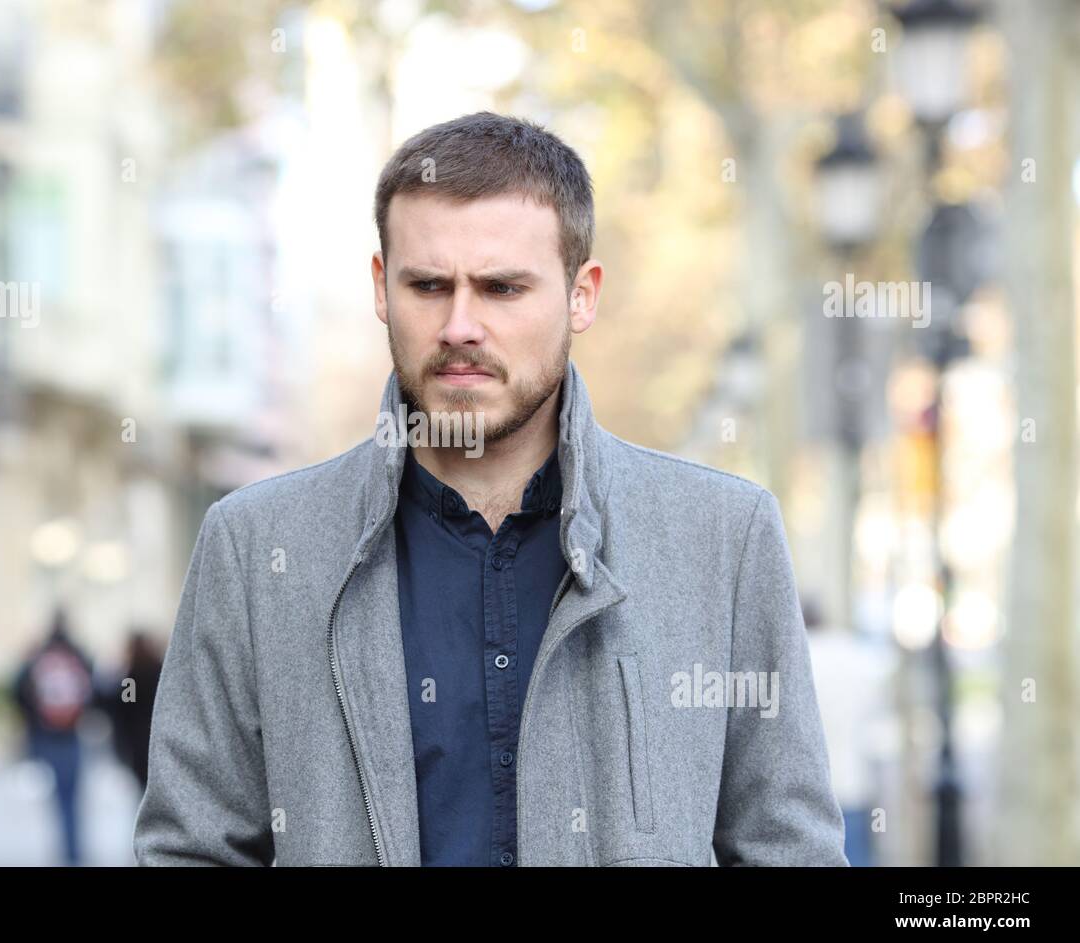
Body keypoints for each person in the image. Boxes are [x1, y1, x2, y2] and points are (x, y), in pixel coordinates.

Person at [134, 112, 847, 867]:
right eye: (429, 285)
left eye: (503, 288)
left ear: (582, 295)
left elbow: (787, 850)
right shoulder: (257, 549)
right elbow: (191, 848)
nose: (460, 325)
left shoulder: (723, 540)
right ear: (382, 287)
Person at [802, 597, 895, 866]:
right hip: (854, 782)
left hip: (812, 788)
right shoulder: (857, 656)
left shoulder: (799, 656)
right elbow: (879, 726)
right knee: (857, 856)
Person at [13, 610, 95, 865]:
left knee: (58, 796)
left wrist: (32, 720)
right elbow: (95, 685)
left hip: (46, 734)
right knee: (73, 795)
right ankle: (73, 850)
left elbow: (18, 688)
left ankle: (66, 849)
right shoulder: (77, 654)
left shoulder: (39, 655)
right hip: (71, 733)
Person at [101, 630, 163, 793]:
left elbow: (125, 707)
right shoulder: (160, 672)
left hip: (138, 739)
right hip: (158, 735)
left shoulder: (131, 678)